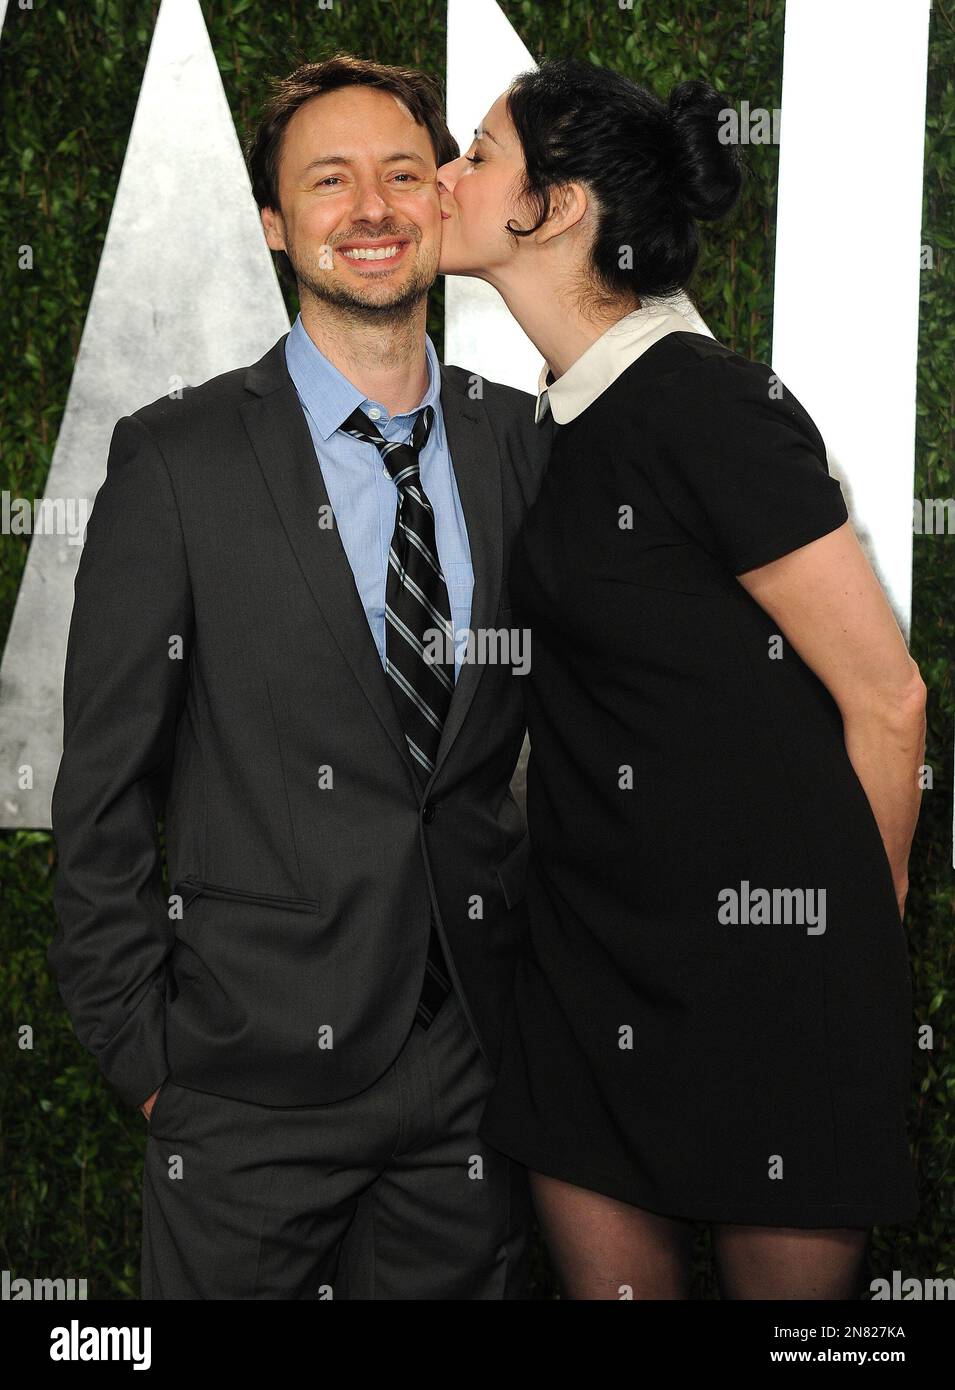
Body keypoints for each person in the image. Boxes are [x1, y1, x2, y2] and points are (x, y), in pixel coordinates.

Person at [48, 54, 554, 1300]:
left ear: (444, 201)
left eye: (400, 175)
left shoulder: (525, 443)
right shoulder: (175, 461)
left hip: (469, 1077)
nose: (370, 210)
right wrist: (146, 1055)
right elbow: (102, 791)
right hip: (243, 1085)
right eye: (328, 182)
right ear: (275, 225)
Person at [436, 57, 926, 1300]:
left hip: (770, 979)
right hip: (587, 971)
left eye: (478, 153)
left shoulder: (707, 405)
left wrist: (845, 951)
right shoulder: (559, 418)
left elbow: (889, 700)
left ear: (561, 205)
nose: (446, 178)